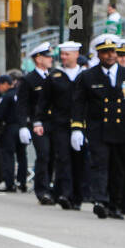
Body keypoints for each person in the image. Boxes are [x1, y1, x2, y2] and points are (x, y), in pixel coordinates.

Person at [71, 35, 125, 219]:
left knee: (118, 168)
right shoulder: (88, 76)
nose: (110, 56)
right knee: (100, 165)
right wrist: (77, 128)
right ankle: (100, 201)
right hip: (99, 128)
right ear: (98, 54)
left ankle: (116, 204)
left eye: (113, 52)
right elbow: (78, 103)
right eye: (105, 52)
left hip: (122, 129)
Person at [35, 40, 84, 210]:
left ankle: (77, 196)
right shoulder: (55, 76)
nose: (63, 57)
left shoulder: (84, 75)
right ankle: (65, 194)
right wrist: (38, 120)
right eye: (62, 54)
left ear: (76, 55)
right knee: (63, 159)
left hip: (81, 125)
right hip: (60, 124)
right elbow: (44, 101)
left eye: (67, 54)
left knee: (79, 160)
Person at [17, 42, 54, 204]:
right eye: (47, 56)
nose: (51, 59)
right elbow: (22, 105)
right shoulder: (28, 79)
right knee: (43, 154)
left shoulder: (53, 76)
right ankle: (42, 189)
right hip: (37, 123)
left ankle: (51, 187)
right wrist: (23, 126)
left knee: (54, 156)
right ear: (38, 59)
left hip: (54, 122)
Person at [0, 72, 25, 193]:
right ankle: (22, 182)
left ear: (6, 84)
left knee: (8, 155)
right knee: (22, 155)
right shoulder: (21, 94)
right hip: (22, 127)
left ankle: (9, 182)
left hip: (10, 128)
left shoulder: (6, 96)